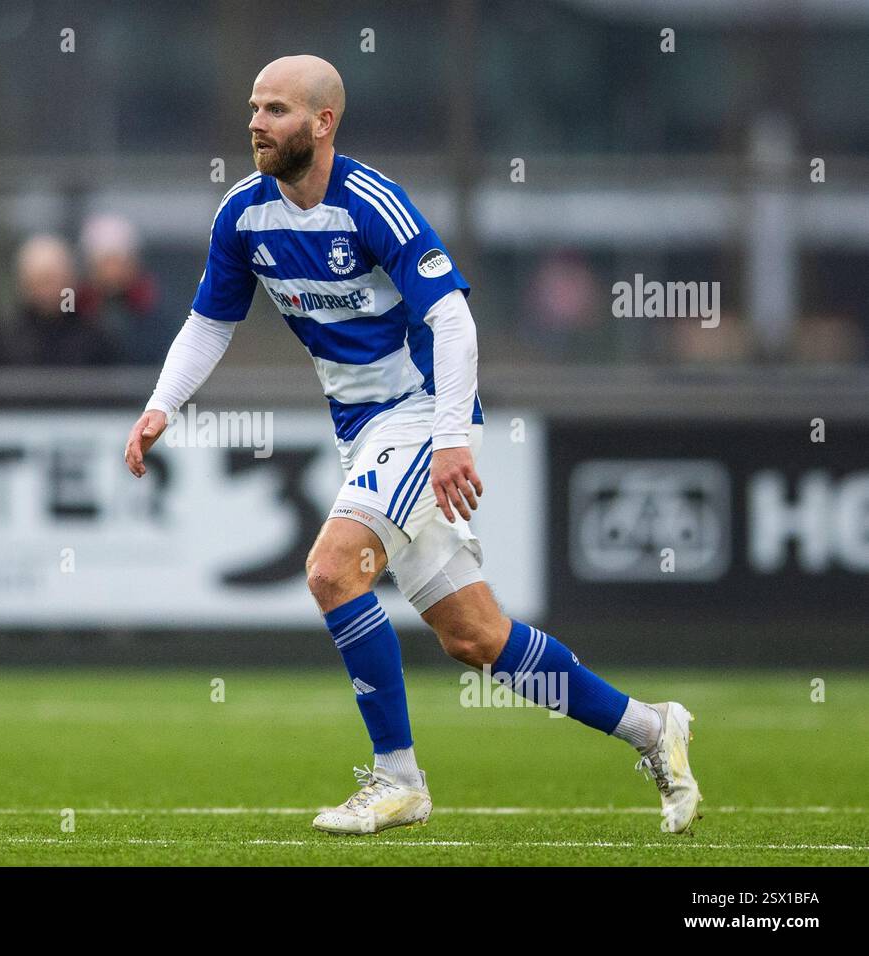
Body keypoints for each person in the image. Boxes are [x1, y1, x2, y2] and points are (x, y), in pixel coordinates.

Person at [123, 55, 702, 836]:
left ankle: (399, 780)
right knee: (477, 639)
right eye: (254, 107)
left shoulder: (373, 205)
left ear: (323, 123)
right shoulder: (243, 213)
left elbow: (453, 319)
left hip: (419, 415)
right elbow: (211, 321)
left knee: (332, 572)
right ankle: (651, 726)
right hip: (361, 435)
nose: (256, 122)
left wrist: (451, 438)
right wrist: (162, 406)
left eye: (277, 110)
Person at [11, 234, 119, 366]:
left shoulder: (95, 339)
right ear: (26, 284)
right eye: (40, 280)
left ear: (70, 280)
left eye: (53, 279)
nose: (48, 290)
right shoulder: (7, 343)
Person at [77, 215, 164, 362]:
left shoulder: (153, 306)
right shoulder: (77, 308)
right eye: (105, 262)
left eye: (118, 262)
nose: (112, 271)